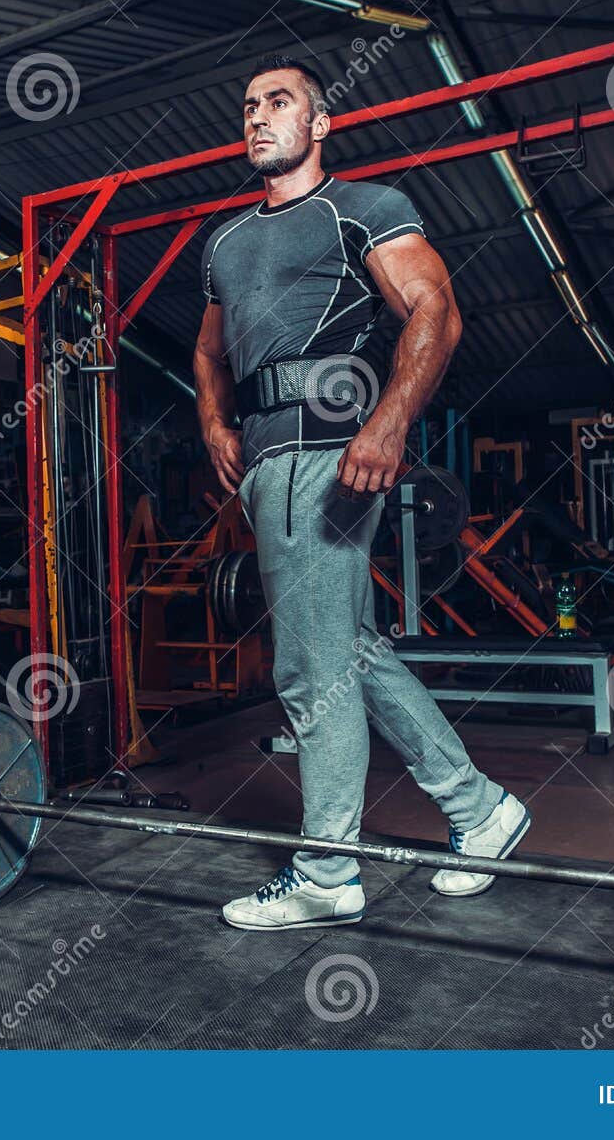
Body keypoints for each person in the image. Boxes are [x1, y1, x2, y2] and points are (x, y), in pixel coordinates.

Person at [194, 54, 531, 931]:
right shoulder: (224, 241)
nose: (258, 116)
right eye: (249, 105)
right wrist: (215, 424)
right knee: (351, 651)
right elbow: (207, 349)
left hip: (327, 455)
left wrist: (388, 422)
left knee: (311, 669)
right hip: (266, 462)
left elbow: (436, 311)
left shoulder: (366, 208)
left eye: (279, 102)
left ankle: (328, 871)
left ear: (319, 123)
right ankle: (480, 809)